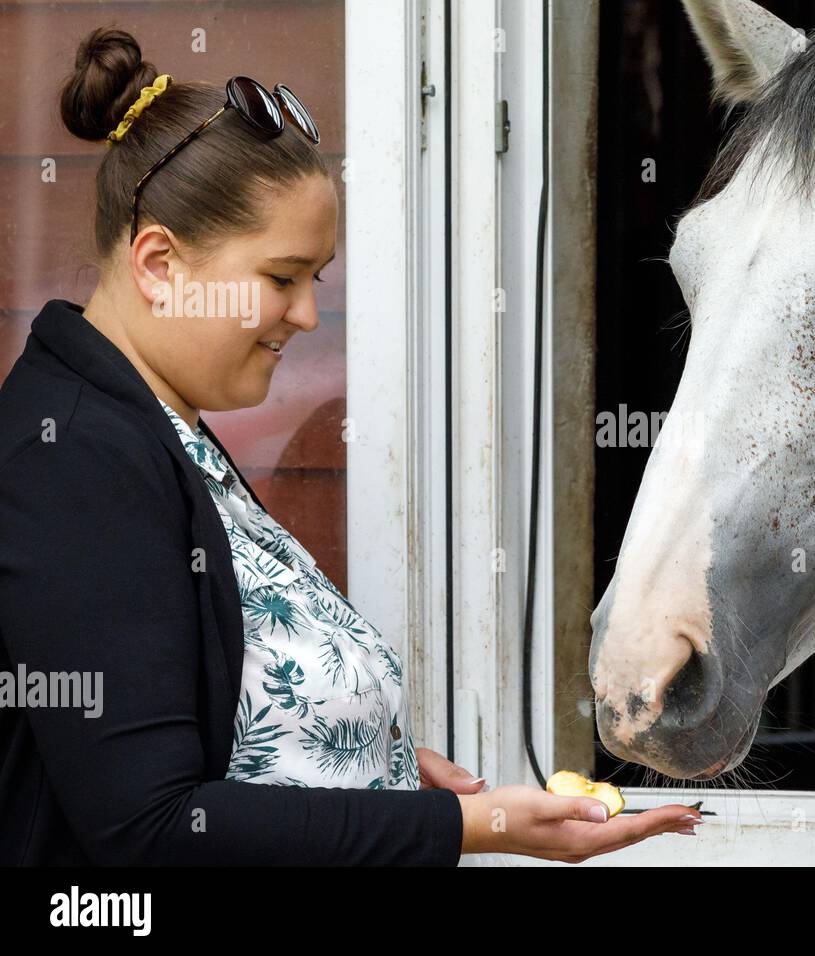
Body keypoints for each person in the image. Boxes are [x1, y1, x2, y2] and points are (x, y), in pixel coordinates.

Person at [0, 27, 701, 865]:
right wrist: (471, 827)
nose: (305, 315)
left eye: (316, 280)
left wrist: (379, 766)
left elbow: (215, 708)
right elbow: (152, 829)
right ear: (159, 263)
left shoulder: (156, 422)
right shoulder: (73, 457)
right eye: (281, 277)